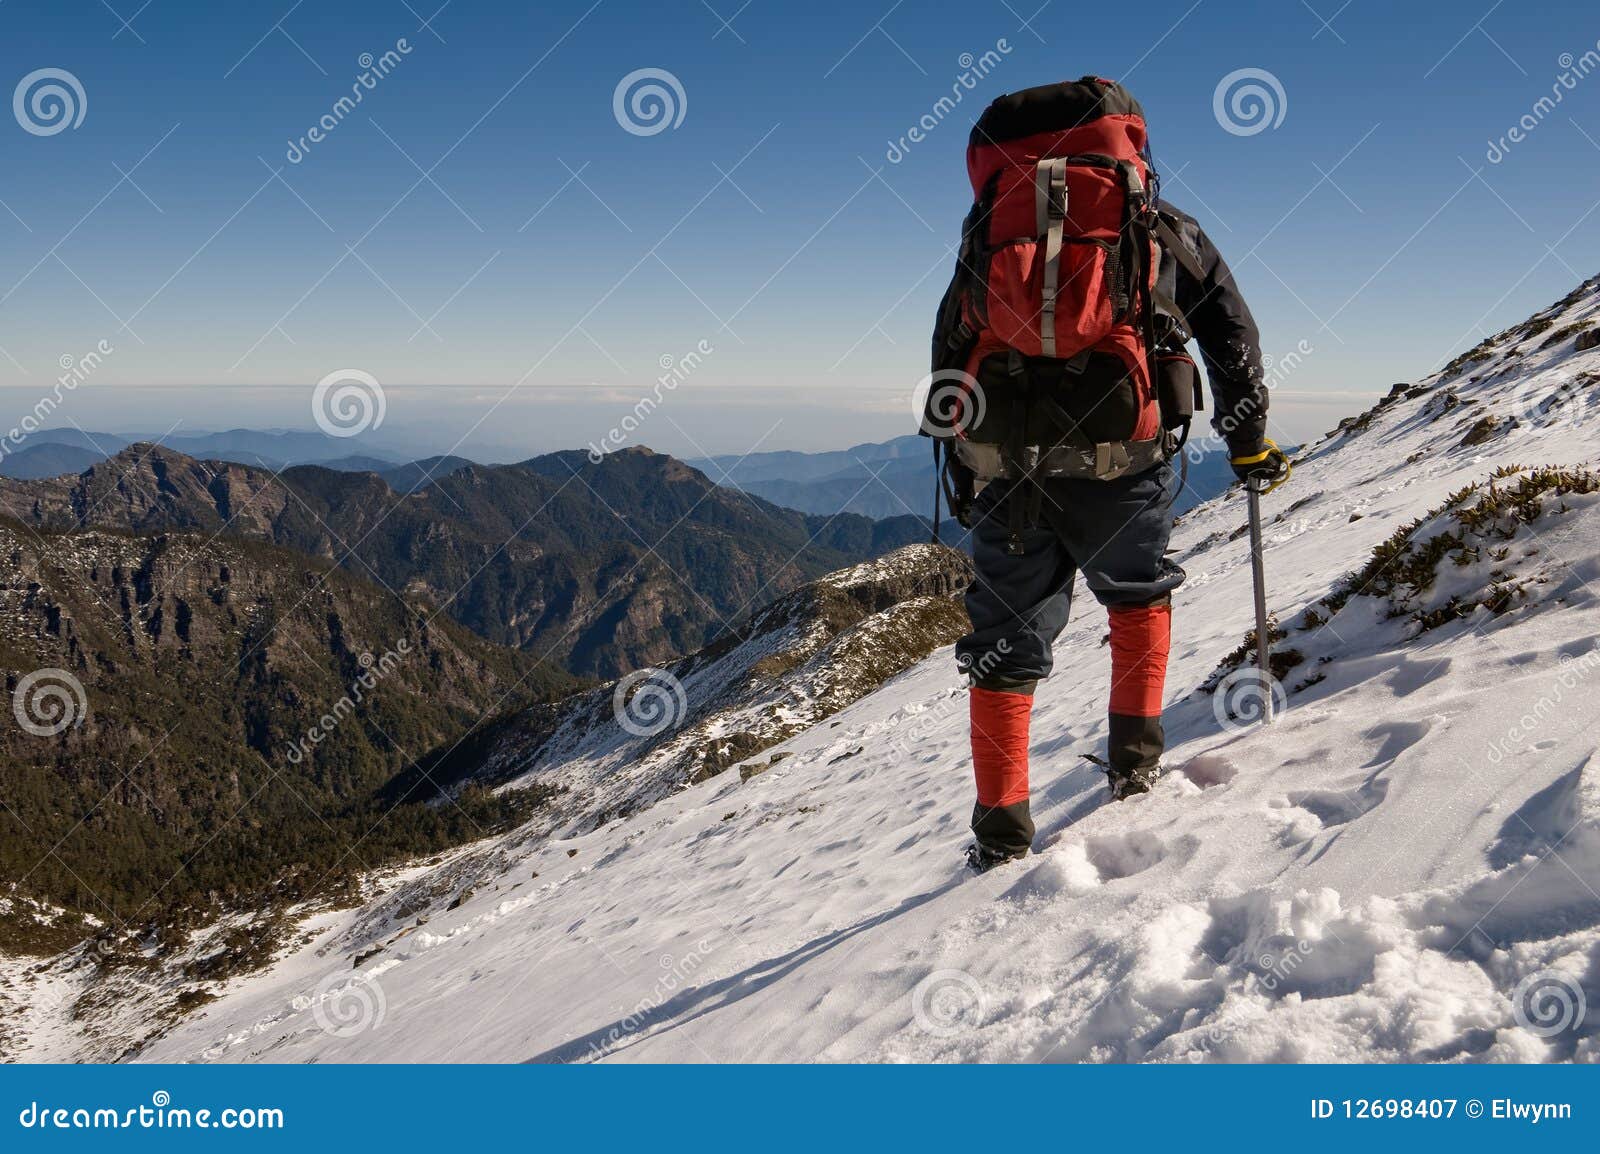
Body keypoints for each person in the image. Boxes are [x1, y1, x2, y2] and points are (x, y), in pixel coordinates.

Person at [923, 78, 1288, 873]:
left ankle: (1000, 839)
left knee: (1003, 649)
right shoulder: (1156, 225)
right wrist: (1248, 441)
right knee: (1137, 597)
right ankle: (1135, 769)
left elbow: (952, 340)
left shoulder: (991, 228)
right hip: (1123, 461)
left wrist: (960, 463)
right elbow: (1230, 331)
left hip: (1007, 466)